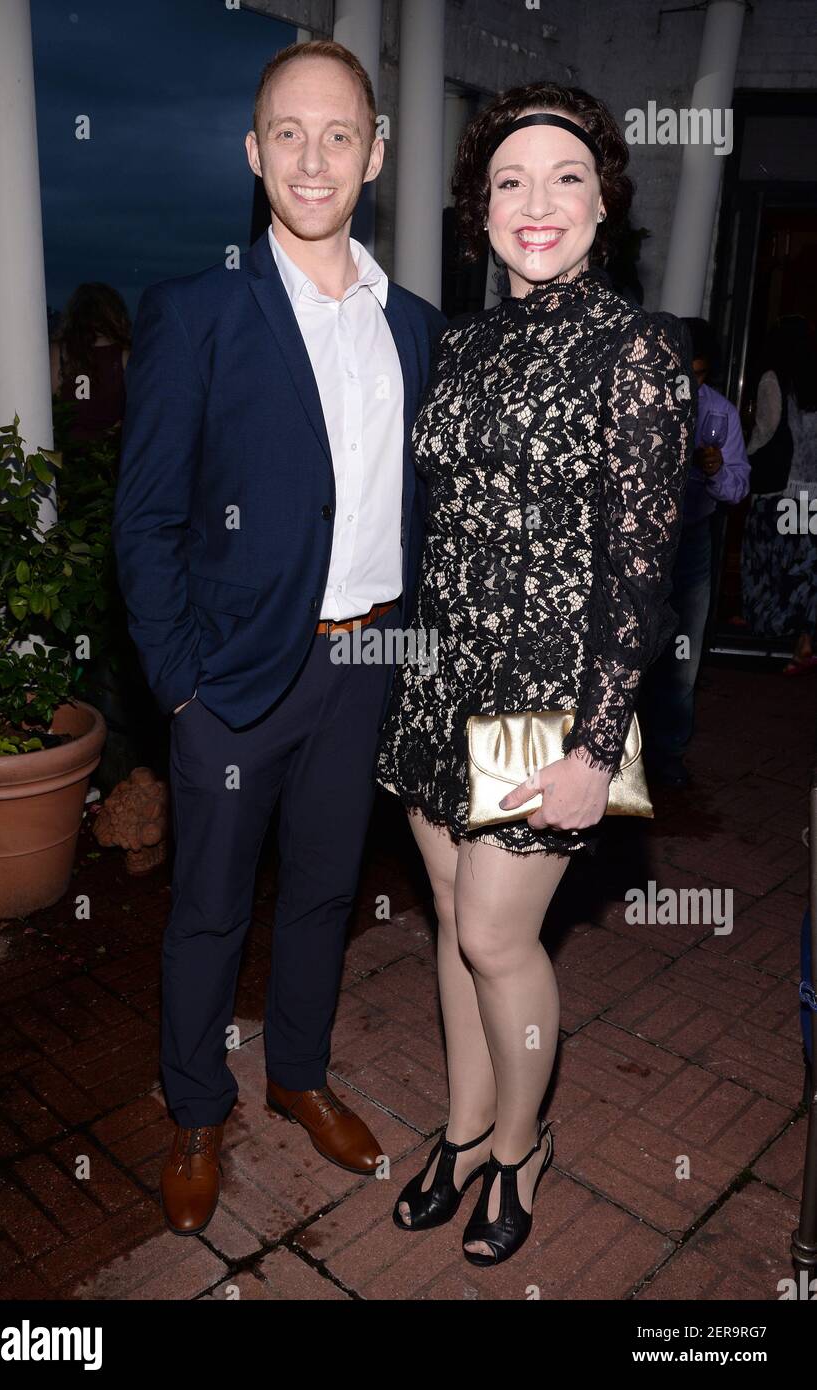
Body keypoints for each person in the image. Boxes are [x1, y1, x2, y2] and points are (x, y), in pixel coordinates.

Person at [112, 40, 445, 1237]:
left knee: (320, 891)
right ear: (255, 154)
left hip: (363, 663)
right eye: (288, 134)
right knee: (207, 905)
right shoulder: (197, 312)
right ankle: (196, 1107)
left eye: (339, 133)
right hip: (235, 678)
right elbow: (144, 517)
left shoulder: (415, 328)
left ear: (374, 153)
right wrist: (182, 683)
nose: (314, 158)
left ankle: (297, 1073)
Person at [375, 82, 696, 1266]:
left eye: (565, 176)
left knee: (503, 941)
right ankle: (459, 1132)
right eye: (509, 180)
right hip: (439, 675)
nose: (536, 201)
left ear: (604, 201)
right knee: (455, 926)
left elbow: (640, 573)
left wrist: (594, 744)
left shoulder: (637, 350)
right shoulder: (458, 346)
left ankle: (519, 1146)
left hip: (544, 699)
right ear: (480, 211)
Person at [640, 317, 750, 786]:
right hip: (640, 541)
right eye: (683, 370)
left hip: (691, 543)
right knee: (630, 646)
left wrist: (717, 469)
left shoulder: (720, 414)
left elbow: (738, 490)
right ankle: (621, 753)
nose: (690, 383)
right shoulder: (639, 397)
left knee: (683, 657)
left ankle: (668, 756)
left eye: (700, 374)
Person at [740, 316, 817, 674]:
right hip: (809, 492)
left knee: (768, 565)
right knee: (801, 568)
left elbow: (766, 428)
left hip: (778, 491)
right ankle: (803, 639)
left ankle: (772, 633)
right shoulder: (811, 380)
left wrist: (743, 456)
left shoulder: (774, 378)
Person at [50, 283, 131, 443]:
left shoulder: (58, 352)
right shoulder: (124, 355)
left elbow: (51, 405)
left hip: (66, 450)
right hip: (107, 452)